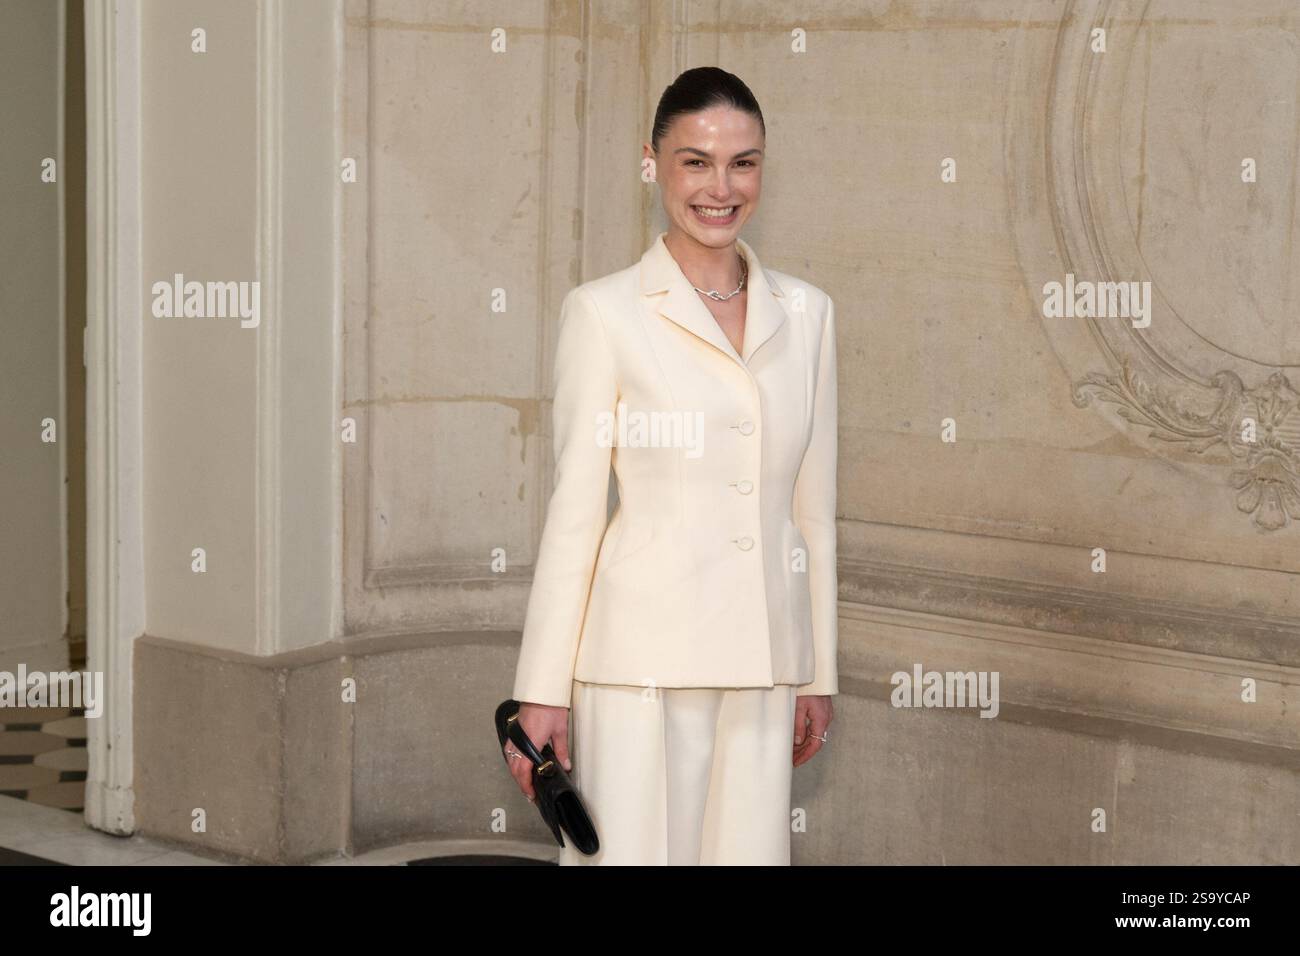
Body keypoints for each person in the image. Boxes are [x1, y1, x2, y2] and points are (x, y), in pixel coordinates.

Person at [503, 66, 838, 865]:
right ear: (651, 162)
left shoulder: (811, 314)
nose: (721, 187)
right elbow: (576, 510)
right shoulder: (604, 312)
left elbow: (813, 511)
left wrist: (816, 668)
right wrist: (540, 690)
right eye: (695, 161)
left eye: (743, 162)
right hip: (639, 667)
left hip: (763, 664)